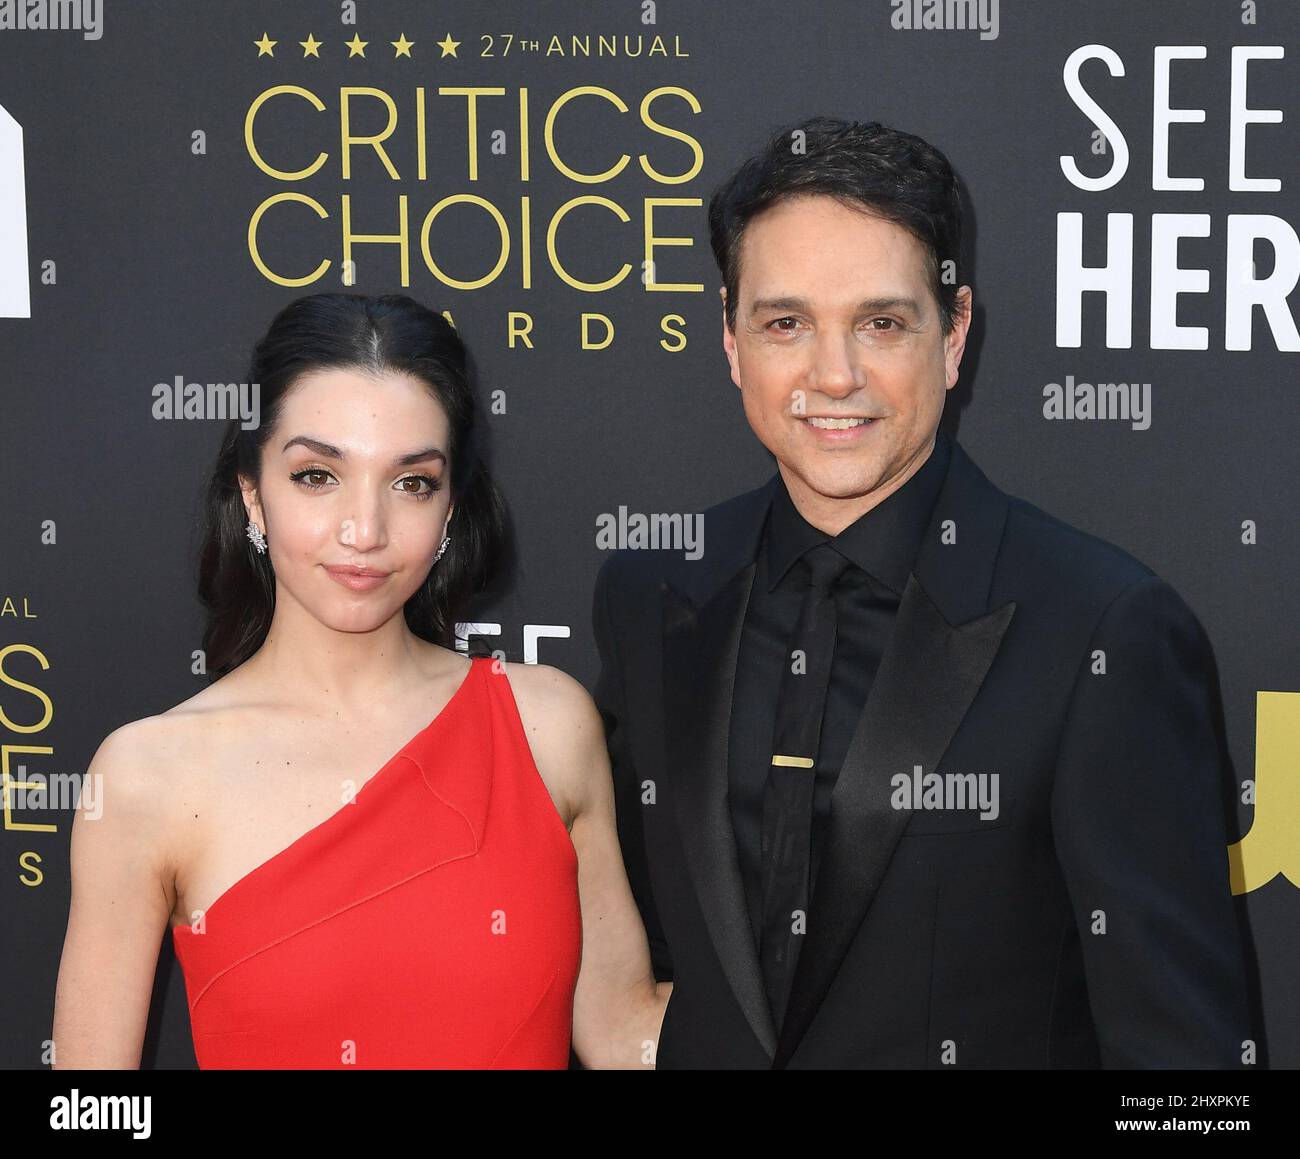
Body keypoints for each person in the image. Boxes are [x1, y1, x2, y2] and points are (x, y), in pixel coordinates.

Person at [591, 116, 1253, 1068]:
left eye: (882, 323)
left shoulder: (1103, 631)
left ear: (955, 335)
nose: (834, 375)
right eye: (786, 323)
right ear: (731, 342)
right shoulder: (650, 589)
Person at [52, 292, 669, 1069]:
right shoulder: (148, 776)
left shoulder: (548, 725)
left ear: (450, 508)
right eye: (317, 475)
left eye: (411, 482)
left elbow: (622, 1031)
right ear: (253, 492)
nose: (365, 530)